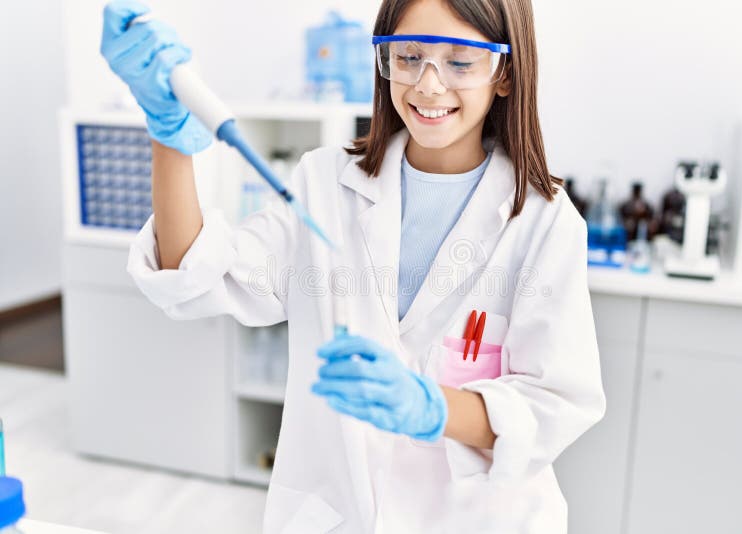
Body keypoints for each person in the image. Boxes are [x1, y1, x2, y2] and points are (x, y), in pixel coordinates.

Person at [101, 0, 606, 532]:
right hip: (336, 516)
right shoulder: (323, 184)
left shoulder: (544, 221)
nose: (428, 85)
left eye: (460, 61)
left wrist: (433, 409)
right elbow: (191, 275)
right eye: (408, 56)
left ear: (504, 72)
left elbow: (555, 402)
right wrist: (167, 134)